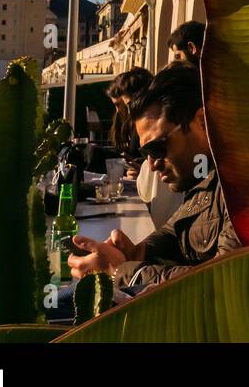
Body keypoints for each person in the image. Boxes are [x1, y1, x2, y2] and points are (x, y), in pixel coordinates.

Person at [67, 62, 239, 289]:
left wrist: (119, 271)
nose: (152, 164)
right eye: (146, 153)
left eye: (158, 148)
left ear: (202, 122)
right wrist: (136, 252)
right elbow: (174, 231)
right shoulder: (204, 176)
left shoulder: (244, 188)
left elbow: (223, 282)